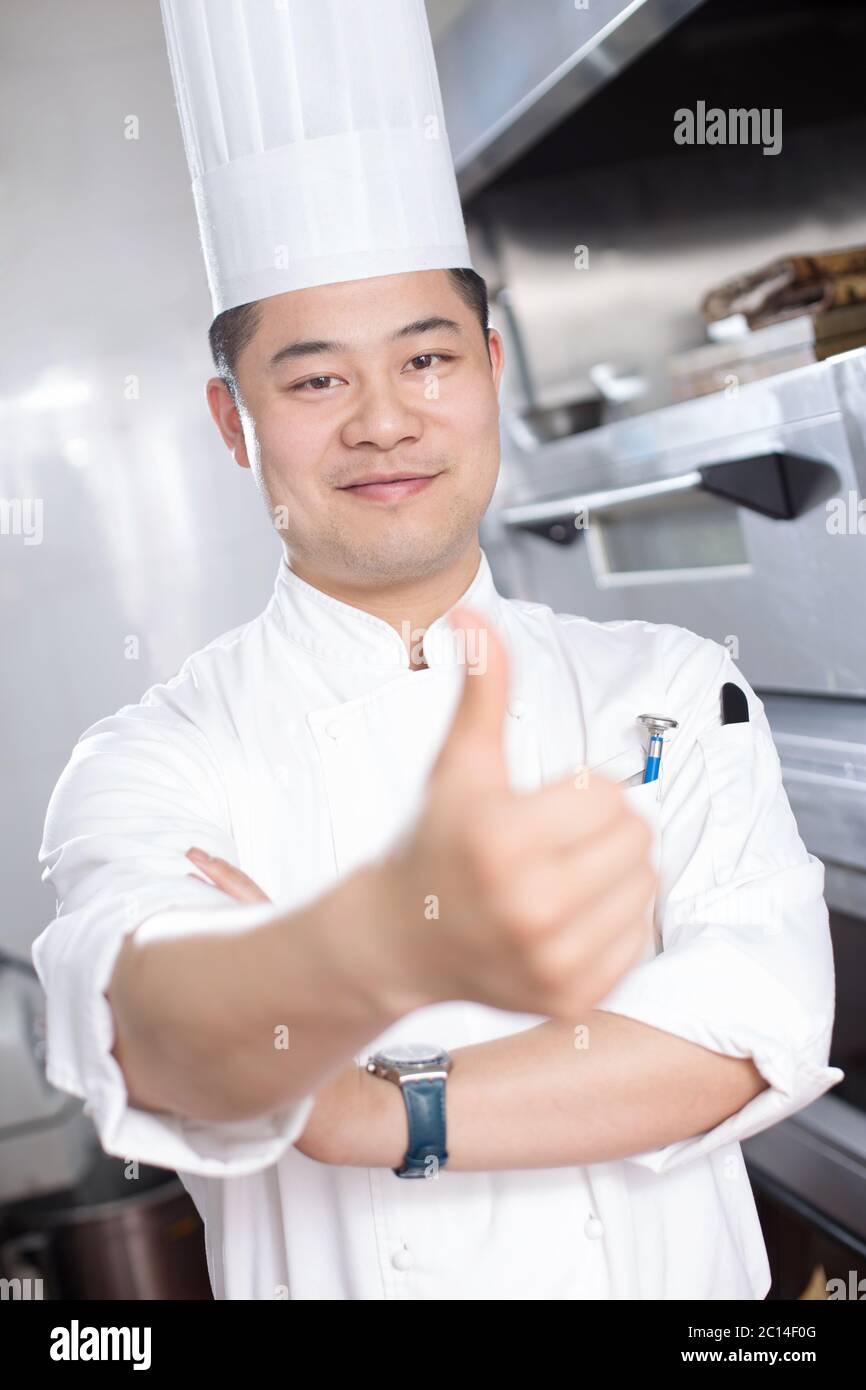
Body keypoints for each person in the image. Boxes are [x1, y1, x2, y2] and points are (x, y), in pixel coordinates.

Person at [32, 2, 842, 1301]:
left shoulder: (674, 685)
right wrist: (386, 946)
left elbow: (751, 1037)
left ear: (490, 366)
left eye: (425, 357)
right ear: (232, 423)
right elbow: (149, 1034)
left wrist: (367, 1109)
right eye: (314, 381)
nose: (386, 422)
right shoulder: (153, 755)